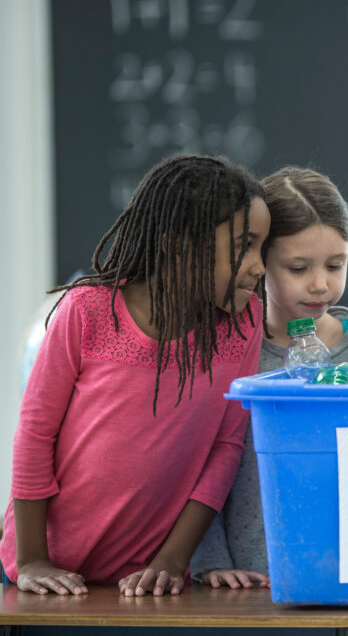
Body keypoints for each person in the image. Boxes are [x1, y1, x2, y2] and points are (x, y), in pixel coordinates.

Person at [0, 154, 269, 596]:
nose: (259, 265)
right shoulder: (87, 310)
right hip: (44, 574)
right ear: (177, 244)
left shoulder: (245, 321)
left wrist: (172, 560)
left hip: (146, 581)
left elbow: (225, 445)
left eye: (263, 246)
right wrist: (31, 560)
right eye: (245, 246)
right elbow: (34, 432)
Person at [189, 167, 348, 589]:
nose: (320, 284)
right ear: (259, 261)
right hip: (243, 578)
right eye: (298, 268)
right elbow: (196, 462)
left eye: (336, 265)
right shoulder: (226, 349)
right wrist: (209, 560)